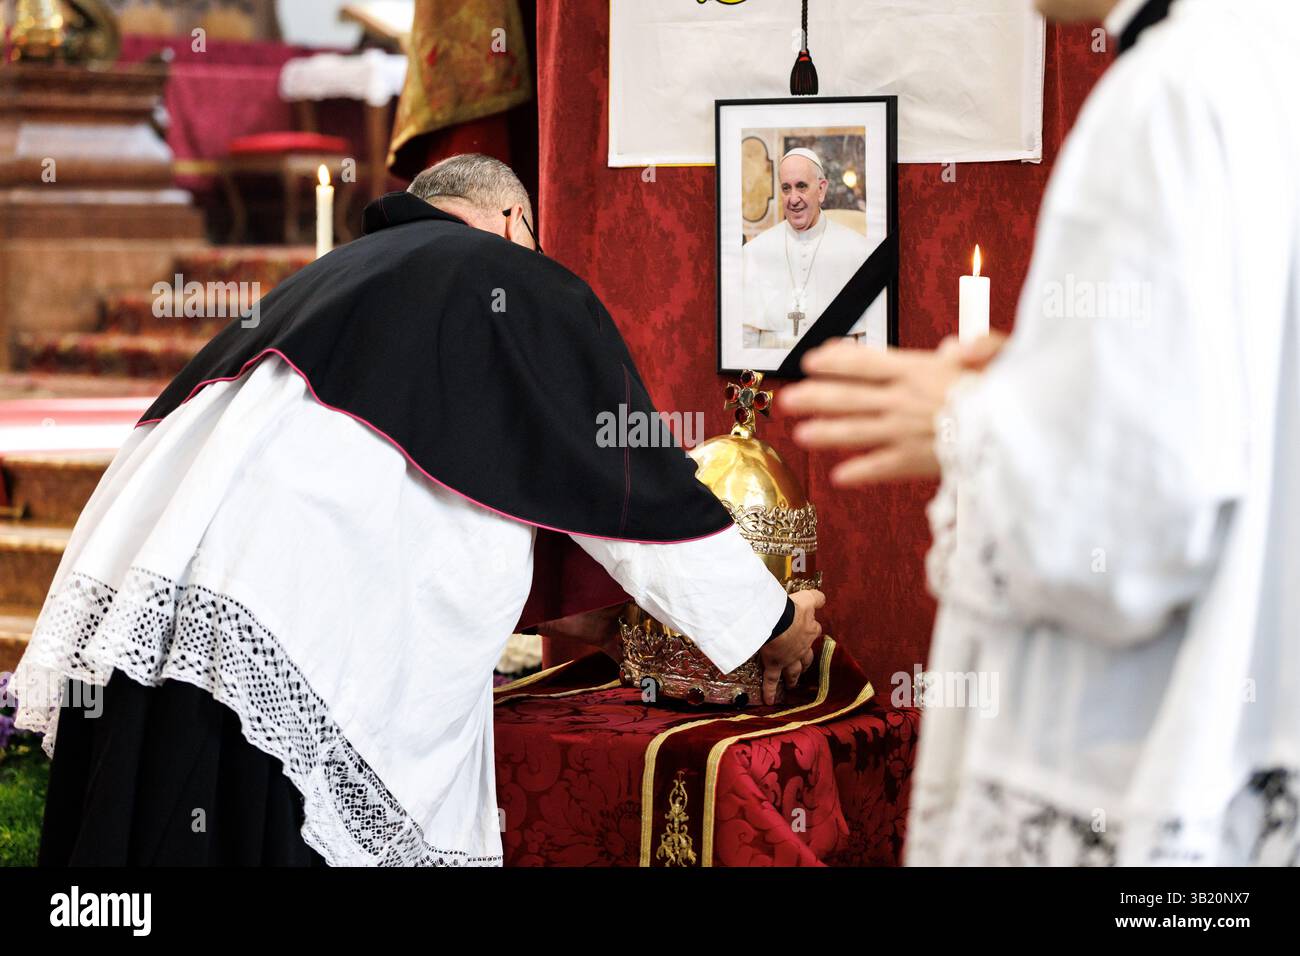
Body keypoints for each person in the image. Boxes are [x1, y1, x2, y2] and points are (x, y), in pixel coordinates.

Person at [12, 154, 823, 866]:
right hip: (295, 665)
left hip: (143, 636)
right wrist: (771, 620)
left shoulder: (329, 278)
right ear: (515, 222)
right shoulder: (515, 278)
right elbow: (628, 483)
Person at [780, 0, 1299, 865]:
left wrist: (973, 426)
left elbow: (1130, 525)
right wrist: (1058, 386)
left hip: (1140, 771)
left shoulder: (1168, 91)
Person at [742, 148, 873, 349]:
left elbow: (867, 342)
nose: (793, 199)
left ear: (821, 190)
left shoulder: (858, 251)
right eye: (786, 188)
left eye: (801, 186)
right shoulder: (755, 252)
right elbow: (746, 339)